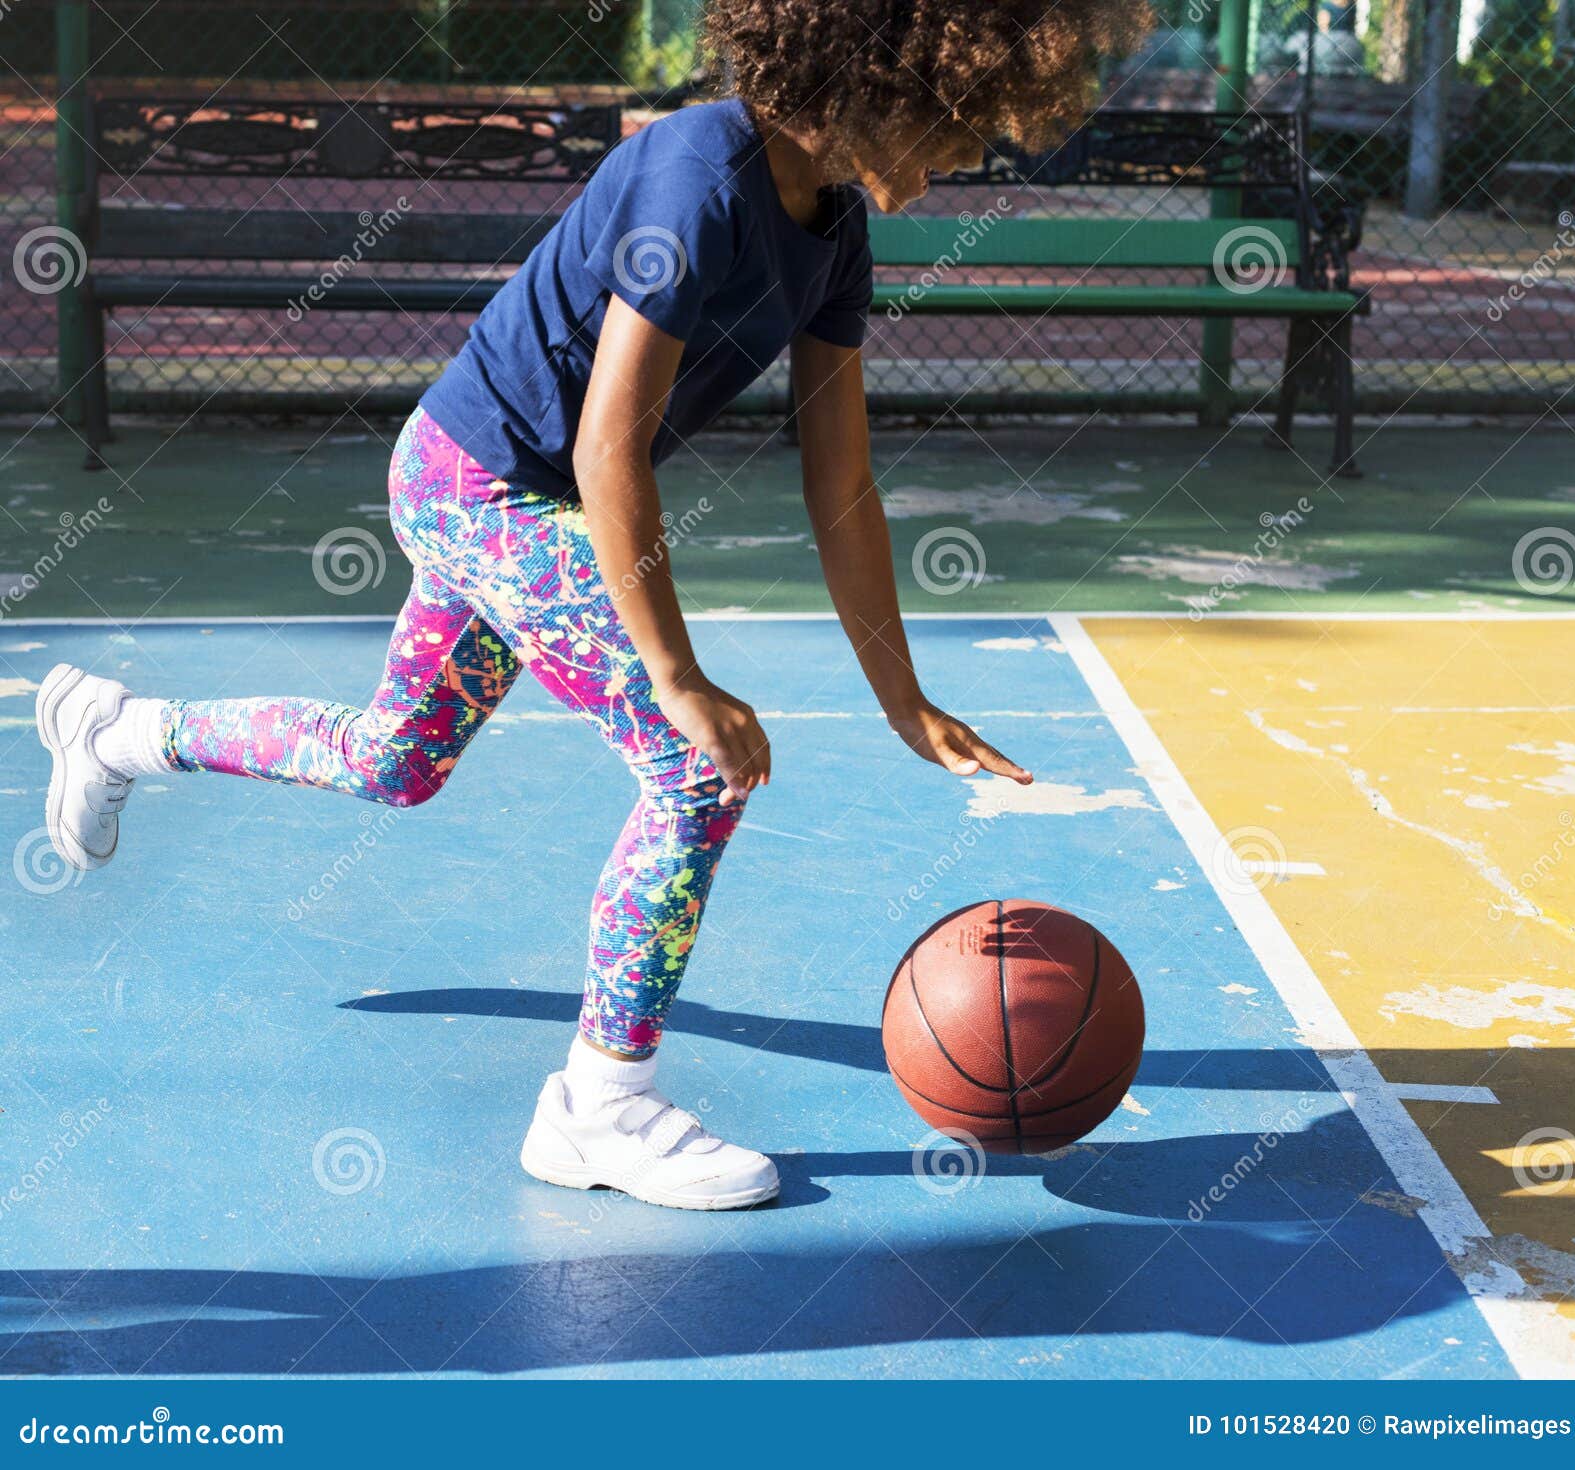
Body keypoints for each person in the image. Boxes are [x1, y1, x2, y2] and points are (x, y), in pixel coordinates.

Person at [35, 0, 1148, 1210]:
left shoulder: (835, 229)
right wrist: (678, 680)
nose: (965, 150)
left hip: (513, 491)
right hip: (479, 484)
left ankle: (117, 733)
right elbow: (610, 445)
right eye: (954, 120)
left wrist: (901, 693)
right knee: (696, 766)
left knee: (393, 762)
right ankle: (598, 1106)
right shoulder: (697, 178)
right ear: (878, 81)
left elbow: (841, 481)